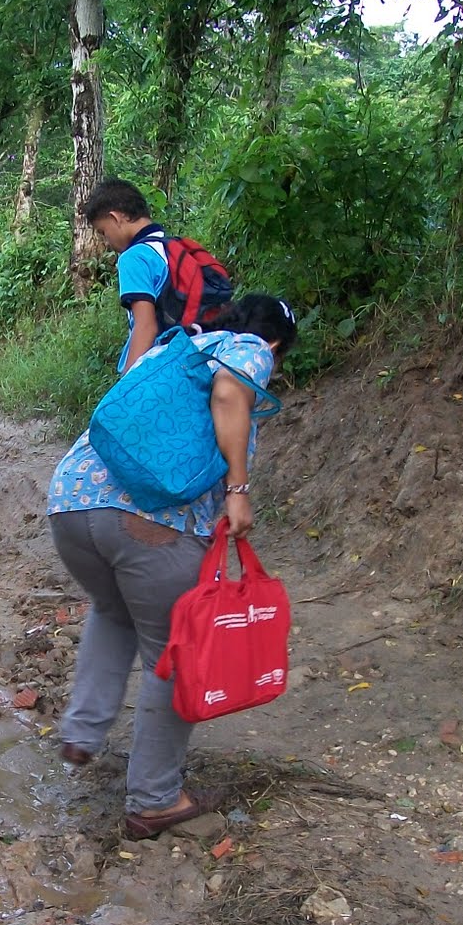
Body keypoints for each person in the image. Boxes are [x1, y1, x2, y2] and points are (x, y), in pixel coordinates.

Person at [47, 294, 297, 840]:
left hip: (70, 500)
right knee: (175, 654)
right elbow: (230, 394)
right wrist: (237, 490)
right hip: (146, 524)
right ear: (276, 344)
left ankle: (82, 735)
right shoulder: (248, 348)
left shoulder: (173, 347)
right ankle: (155, 799)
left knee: (114, 611)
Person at [81, 178, 177, 374]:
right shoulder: (174, 247)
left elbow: (146, 326)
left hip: (159, 366)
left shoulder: (134, 257)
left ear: (115, 218)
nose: (106, 241)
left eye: (103, 232)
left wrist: (126, 387)